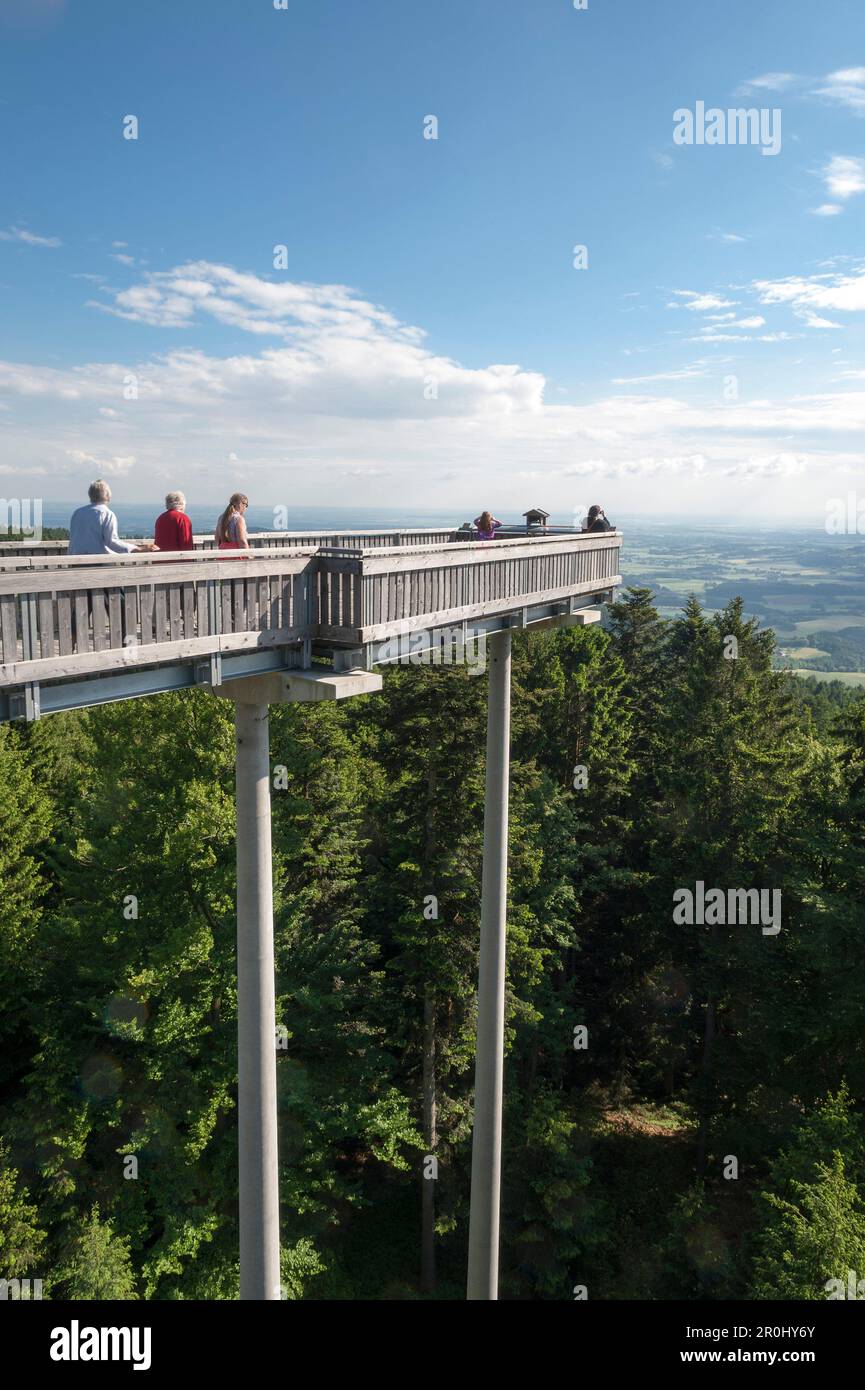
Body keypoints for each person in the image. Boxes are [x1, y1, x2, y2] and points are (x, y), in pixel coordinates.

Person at [68, 480, 156, 555]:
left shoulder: (78, 513)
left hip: (75, 560)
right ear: (107, 496)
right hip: (97, 562)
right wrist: (138, 549)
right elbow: (111, 542)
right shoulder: (106, 514)